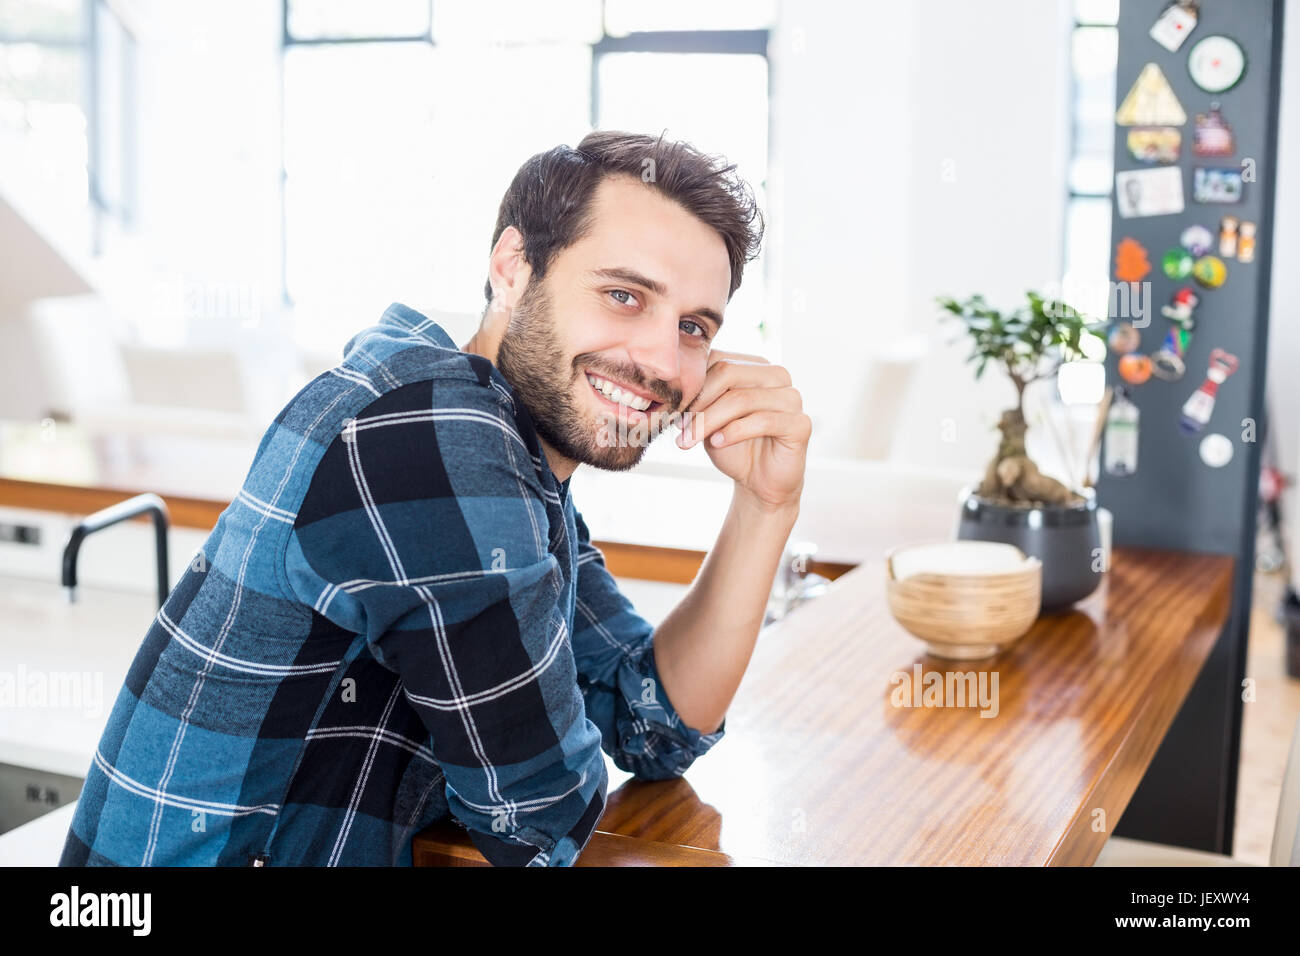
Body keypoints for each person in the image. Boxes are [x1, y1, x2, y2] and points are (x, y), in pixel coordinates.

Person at [60, 129, 810, 866]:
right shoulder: (434, 437)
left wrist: (765, 506)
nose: (660, 359)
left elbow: (650, 721)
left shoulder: (509, 449)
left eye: (692, 327)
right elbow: (539, 822)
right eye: (623, 296)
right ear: (513, 267)